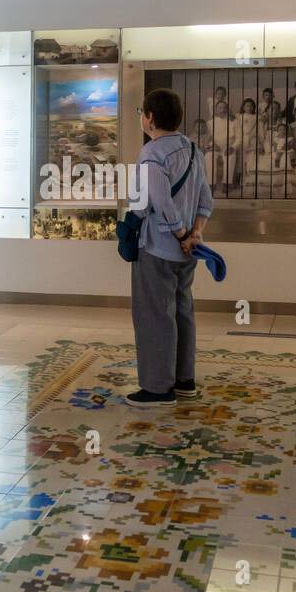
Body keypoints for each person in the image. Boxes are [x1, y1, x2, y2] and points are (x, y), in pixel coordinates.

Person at [127, 88, 214, 408]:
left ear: (150, 118)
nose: (141, 116)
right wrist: (195, 235)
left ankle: (157, 388)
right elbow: (205, 200)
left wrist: (178, 234)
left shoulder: (152, 154)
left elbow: (161, 203)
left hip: (158, 247)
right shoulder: (193, 150)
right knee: (181, 311)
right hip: (189, 250)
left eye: (141, 112)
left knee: (154, 314)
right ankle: (184, 380)